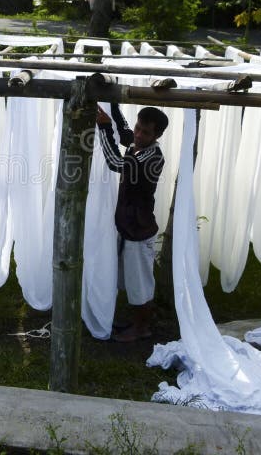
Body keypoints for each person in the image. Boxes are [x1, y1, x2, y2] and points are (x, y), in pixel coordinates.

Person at [96, 103, 168, 342]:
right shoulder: (139, 146)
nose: (138, 135)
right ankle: (137, 322)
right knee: (132, 281)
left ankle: (142, 328)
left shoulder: (150, 159)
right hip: (130, 227)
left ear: (156, 136)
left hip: (139, 231)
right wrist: (113, 107)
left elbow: (116, 163)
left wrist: (104, 126)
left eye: (145, 132)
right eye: (139, 128)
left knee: (141, 286)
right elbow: (126, 132)